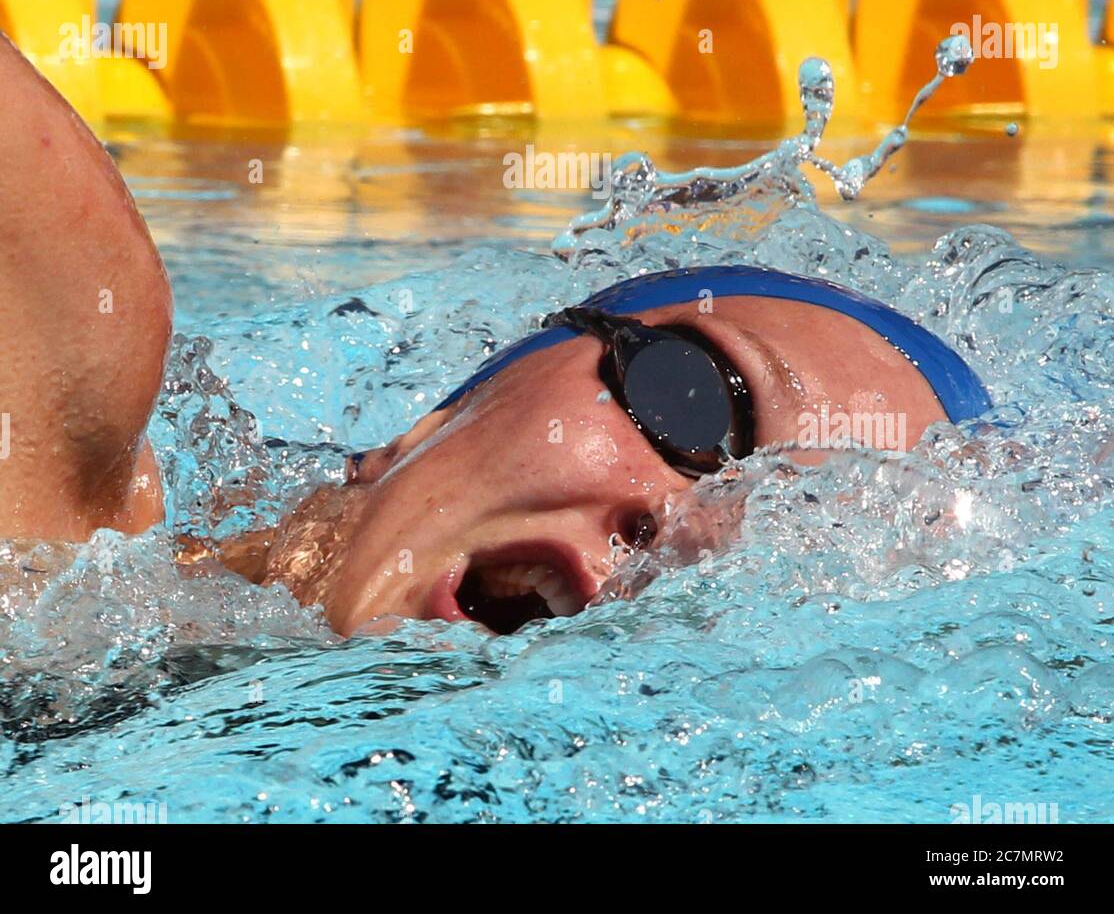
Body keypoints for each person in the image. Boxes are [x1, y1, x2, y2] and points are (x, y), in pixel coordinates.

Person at [0, 32, 989, 635]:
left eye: (796, 539)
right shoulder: (56, 358)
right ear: (427, 421)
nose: (688, 533)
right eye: (704, 405)